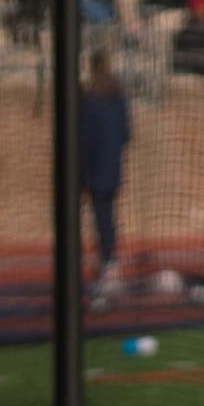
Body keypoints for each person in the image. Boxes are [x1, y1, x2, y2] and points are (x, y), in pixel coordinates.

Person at [80, 50, 130, 282]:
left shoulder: (90, 98)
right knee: (106, 216)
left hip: (93, 166)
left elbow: (85, 136)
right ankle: (109, 260)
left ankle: (105, 259)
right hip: (111, 166)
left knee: (99, 215)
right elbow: (127, 134)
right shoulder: (117, 97)